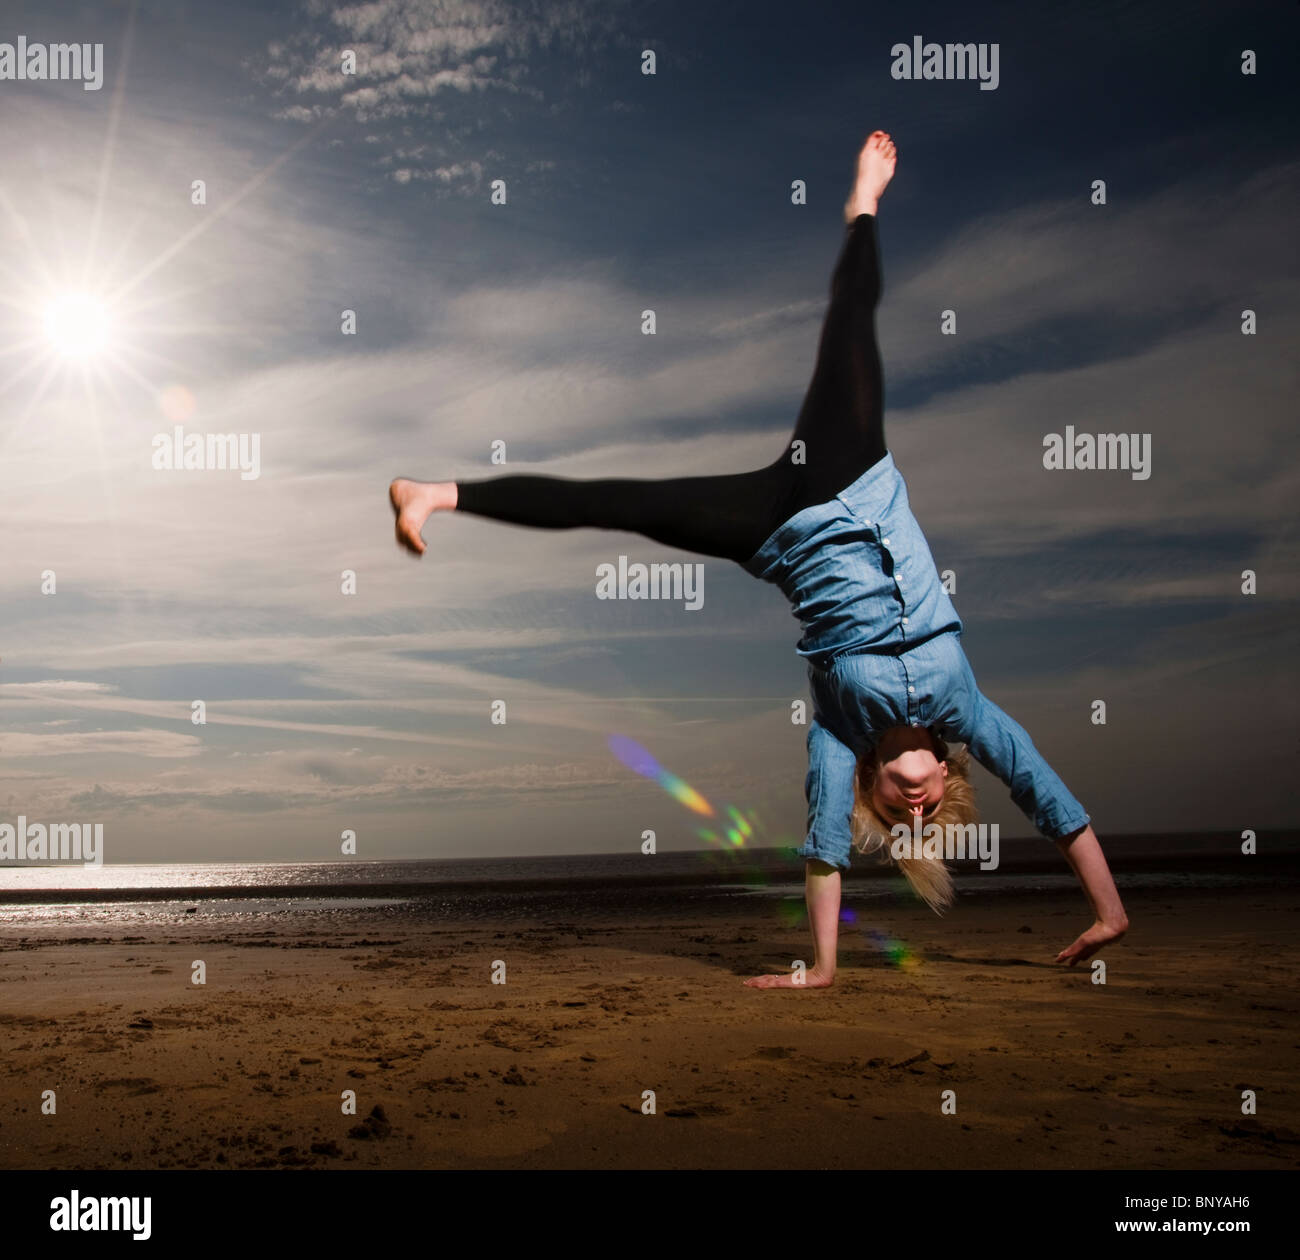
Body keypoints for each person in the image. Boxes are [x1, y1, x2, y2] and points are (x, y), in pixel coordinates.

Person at [389, 131, 1129, 989]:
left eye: (900, 818)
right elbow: (1049, 798)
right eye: (928, 811)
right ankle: (863, 205)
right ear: (948, 779)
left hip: (774, 532)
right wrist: (1109, 911)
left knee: (621, 504)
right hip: (854, 475)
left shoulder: (838, 735)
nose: (916, 807)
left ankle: (435, 492)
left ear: (872, 792)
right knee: (852, 319)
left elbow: (821, 850)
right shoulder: (967, 712)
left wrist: (819, 969)